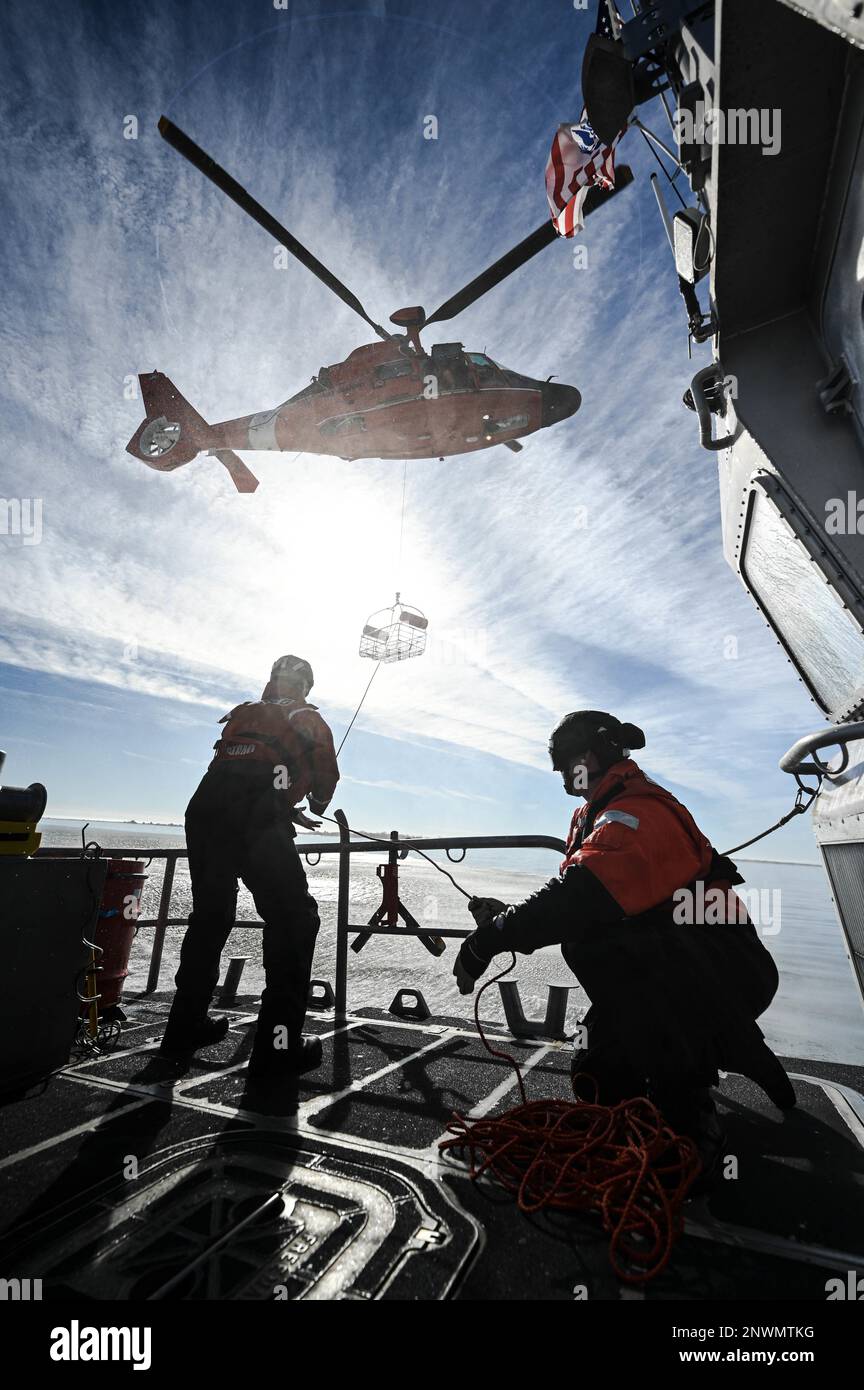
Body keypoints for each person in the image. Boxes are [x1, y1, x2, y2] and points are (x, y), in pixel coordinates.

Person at [453, 710, 795, 1159]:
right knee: (597, 1073)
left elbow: (581, 896)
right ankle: (729, 1044)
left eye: (564, 768)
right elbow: (582, 896)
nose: (562, 781)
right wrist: (511, 919)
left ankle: (690, 1121)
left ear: (588, 759)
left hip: (726, 969)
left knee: (593, 946)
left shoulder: (636, 813)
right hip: (695, 964)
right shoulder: (604, 808)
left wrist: (490, 939)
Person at [160, 654, 339, 1078]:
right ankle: (279, 1046)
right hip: (255, 821)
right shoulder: (307, 718)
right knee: (294, 920)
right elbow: (325, 781)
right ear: (306, 687)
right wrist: (306, 803)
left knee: (210, 917)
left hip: (204, 813)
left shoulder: (243, 715)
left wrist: (280, 802)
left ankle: (183, 1031)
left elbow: (242, 772)